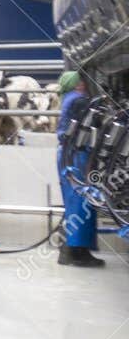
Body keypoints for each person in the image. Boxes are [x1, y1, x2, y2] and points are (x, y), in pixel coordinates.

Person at [56, 70, 103, 267]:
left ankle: (74, 251)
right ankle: (76, 253)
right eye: (83, 80)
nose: (85, 83)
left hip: (70, 155)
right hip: (76, 156)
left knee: (77, 203)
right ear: (77, 84)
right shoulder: (80, 101)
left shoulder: (69, 98)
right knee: (80, 203)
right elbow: (95, 125)